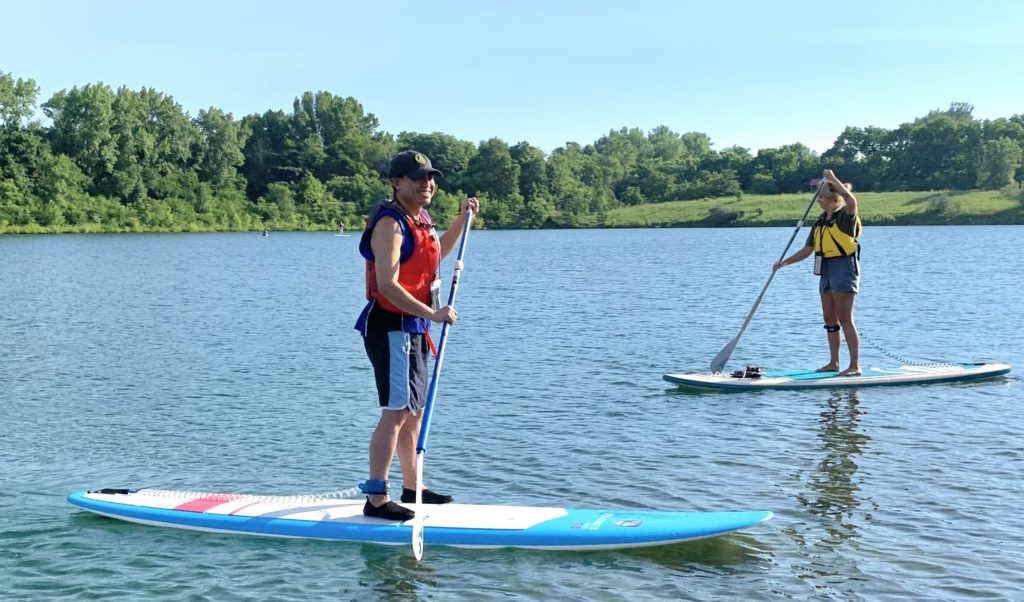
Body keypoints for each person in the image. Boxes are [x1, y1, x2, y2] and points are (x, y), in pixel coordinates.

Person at [354, 150, 479, 520]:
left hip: (413, 326)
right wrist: (433, 313)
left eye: (430, 177)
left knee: (414, 411)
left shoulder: (419, 218)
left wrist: (463, 218)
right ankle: (376, 497)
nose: (428, 184)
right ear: (396, 183)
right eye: (417, 178)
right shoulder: (390, 224)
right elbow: (387, 284)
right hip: (390, 326)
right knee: (395, 412)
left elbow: (436, 252)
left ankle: (413, 486)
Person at [773, 169, 862, 376]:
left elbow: (851, 201)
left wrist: (833, 179)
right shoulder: (820, 222)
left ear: (832, 199)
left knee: (845, 318)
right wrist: (783, 263)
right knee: (829, 318)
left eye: (821, 197)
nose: (818, 201)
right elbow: (807, 250)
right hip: (825, 269)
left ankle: (855, 365)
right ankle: (833, 363)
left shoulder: (844, 216)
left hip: (844, 267)